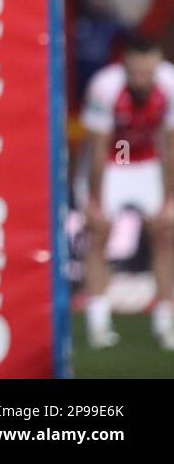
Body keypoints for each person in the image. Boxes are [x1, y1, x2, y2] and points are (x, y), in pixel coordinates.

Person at [79, 35, 174, 351]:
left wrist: (169, 197)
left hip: (147, 161)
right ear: (125, 65)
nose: (141, 80)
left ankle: (165, 323)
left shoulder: (170, 84)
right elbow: (98, 146)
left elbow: (170, 144)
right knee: (99, 234)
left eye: (148, 72)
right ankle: (98, 323)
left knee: (164, 235)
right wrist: (95, 200)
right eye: (135, 73)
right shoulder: (105, 86)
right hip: (114, 161)